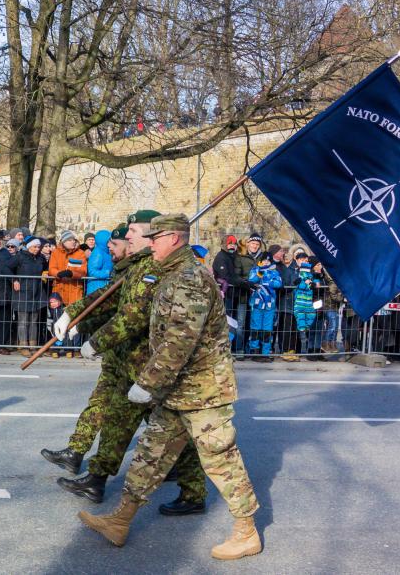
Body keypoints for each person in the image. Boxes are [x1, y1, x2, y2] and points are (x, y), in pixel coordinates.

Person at [79, 213, 261, 561]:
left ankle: (246, 531)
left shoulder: (190, 280)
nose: (151, 244)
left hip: (202, 391)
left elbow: (179, 340)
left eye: (156, 238)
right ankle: (121, 521)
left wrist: (147, 383)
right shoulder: (172, 274)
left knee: (220, 458)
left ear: (174, 239)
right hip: (176, 390)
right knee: (150, 454)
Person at [11, 237, 49, 355]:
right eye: (35, 247)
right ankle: (23, 346)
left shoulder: (41, 258)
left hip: (36, 292)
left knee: (34, 320)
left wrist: (45, 274)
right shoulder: (20, 256)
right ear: (29, 247)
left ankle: (33, 345)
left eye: (38, 247)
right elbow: (6, 267)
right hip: (23, 292)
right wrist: (14, 280)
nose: (37, 249)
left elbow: (45, 269)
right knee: (23, 320)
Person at [213, 236, 251, 355]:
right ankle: (225, 350)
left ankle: (237, 348)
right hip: (227, 296)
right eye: (229, 243)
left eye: (234, 244)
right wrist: (245, 283)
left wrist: (245, 283)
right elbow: (226, 277)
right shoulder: (221, 257)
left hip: (238, 295)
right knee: (228, 324)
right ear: (224, 244)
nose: (232, 246)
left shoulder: (234, 257)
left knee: (239, 324)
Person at [246, 251, 281, 359]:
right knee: (255, 327)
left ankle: (265, 352)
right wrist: (259, 274)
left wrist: (268, 283)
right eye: (264, 260)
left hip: (269, 304)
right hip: (257, 303)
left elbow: (279, 283)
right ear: (260, 261)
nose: (266, 262)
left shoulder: (274, 272)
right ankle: (254, 351)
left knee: (267, 328)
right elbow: (251, 281)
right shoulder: (255, 270)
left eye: (268, 260)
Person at [49, 230, 89, 306]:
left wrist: (72, 273)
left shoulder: (80, 253)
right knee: (58, 317)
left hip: (74, 290)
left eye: (74, 240)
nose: (73, 242)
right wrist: (58, 273)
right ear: (63, 242)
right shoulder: (55, 252)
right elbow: (51, 269)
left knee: (74, 317)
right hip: (58, 290)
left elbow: (83, 271)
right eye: (70, 240)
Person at [85, 230, 113, 294]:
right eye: (109, 240)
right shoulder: (97, 252)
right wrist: (108, 273)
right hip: (96, 287)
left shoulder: (107, 251)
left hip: (105, 285)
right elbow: (92, 271)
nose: (110, 242)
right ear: (103, 240)